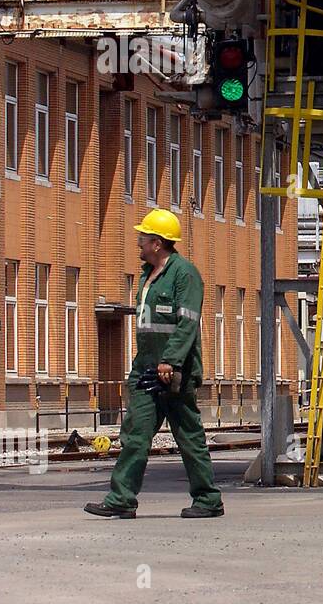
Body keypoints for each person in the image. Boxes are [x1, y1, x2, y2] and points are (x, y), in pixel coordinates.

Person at [86, 209, 224, 519]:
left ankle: (208, 499)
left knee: (188, 436)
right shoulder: (147, 275)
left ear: (158, 243)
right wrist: (143, 365)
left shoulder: (184, 274)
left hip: (175, 372)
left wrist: (170, 361)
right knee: (135, 433)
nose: (139, 242)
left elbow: (187, 324)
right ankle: (121, 498)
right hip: (146, 370)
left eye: (143, 238)